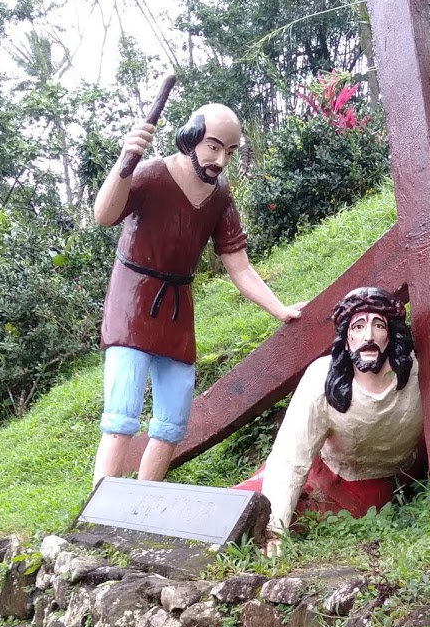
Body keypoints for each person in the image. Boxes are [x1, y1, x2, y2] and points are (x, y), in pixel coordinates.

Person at [91, 102, 303, 486]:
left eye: (230, 151)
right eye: (213, 146)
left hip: (176, 310)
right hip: (130, 301)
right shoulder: (153, 173)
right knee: (121, 413)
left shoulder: (219, 196)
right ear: (191, 138)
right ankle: (99, 506)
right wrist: (126, 160)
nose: (220, 160)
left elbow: (238, 264)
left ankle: (143, 497)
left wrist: (279, 308)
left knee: (172, 419)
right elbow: (104, 214)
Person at [249, 287, 430, 553]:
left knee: (318, 518)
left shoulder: (420, 373)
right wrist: (272, 530)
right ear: (346, 339)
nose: (368, 336)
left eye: (378, 326)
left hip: (371, 487)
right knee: (243, 506)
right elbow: (289, 459)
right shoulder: (320, 379)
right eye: (358, 326)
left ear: (390, 335)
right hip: (323, 470)